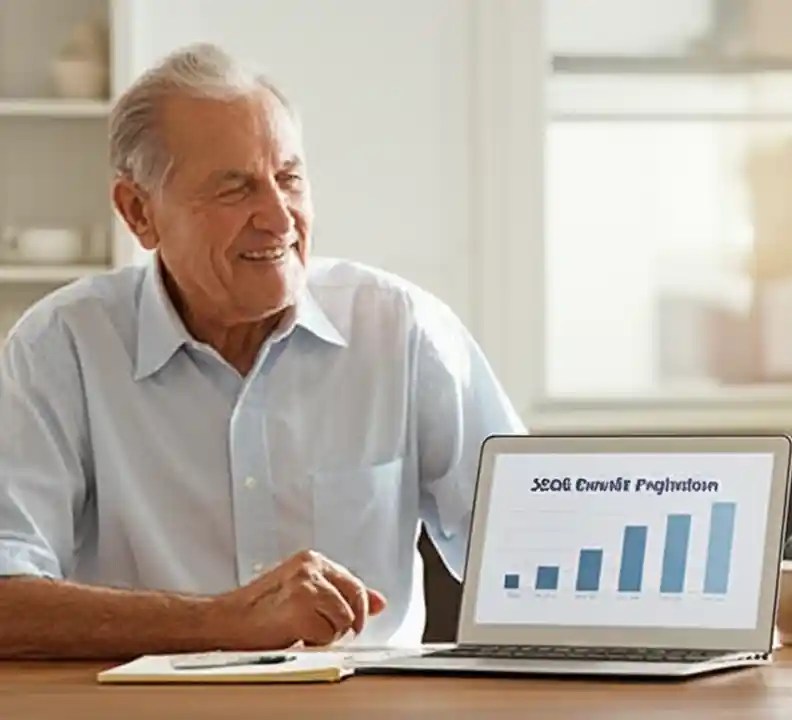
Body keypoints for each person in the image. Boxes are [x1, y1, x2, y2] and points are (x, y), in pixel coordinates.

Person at [0, 43, 522, 659]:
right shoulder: (60, 346)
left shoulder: (402, 328)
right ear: (139, 212)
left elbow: (529, 550)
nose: (279, 217)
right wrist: (222, 623)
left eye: (289, 177)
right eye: (235, 189)